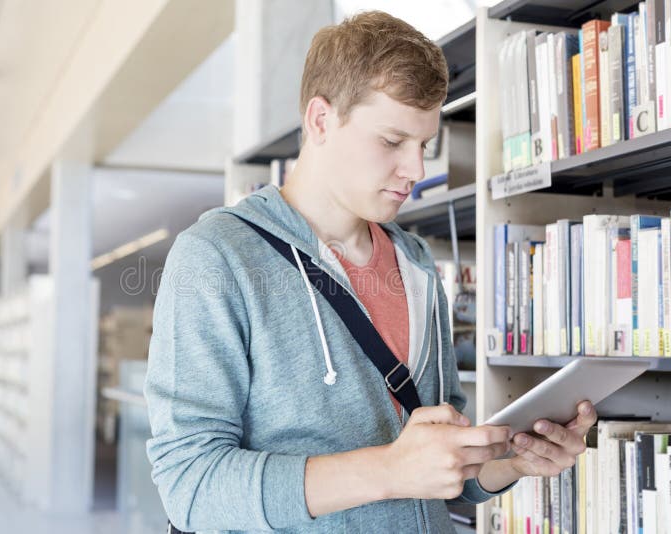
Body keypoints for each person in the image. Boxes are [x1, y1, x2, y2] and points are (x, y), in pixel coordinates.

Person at [144, 10, 596, 533]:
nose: (417, 170)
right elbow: (190, 483)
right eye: (391, 141)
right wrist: (388, 470)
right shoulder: (216, 257)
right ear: (320, 120)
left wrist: (513, 461)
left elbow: (446, 467)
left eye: (423, 144)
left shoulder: (416, 261)